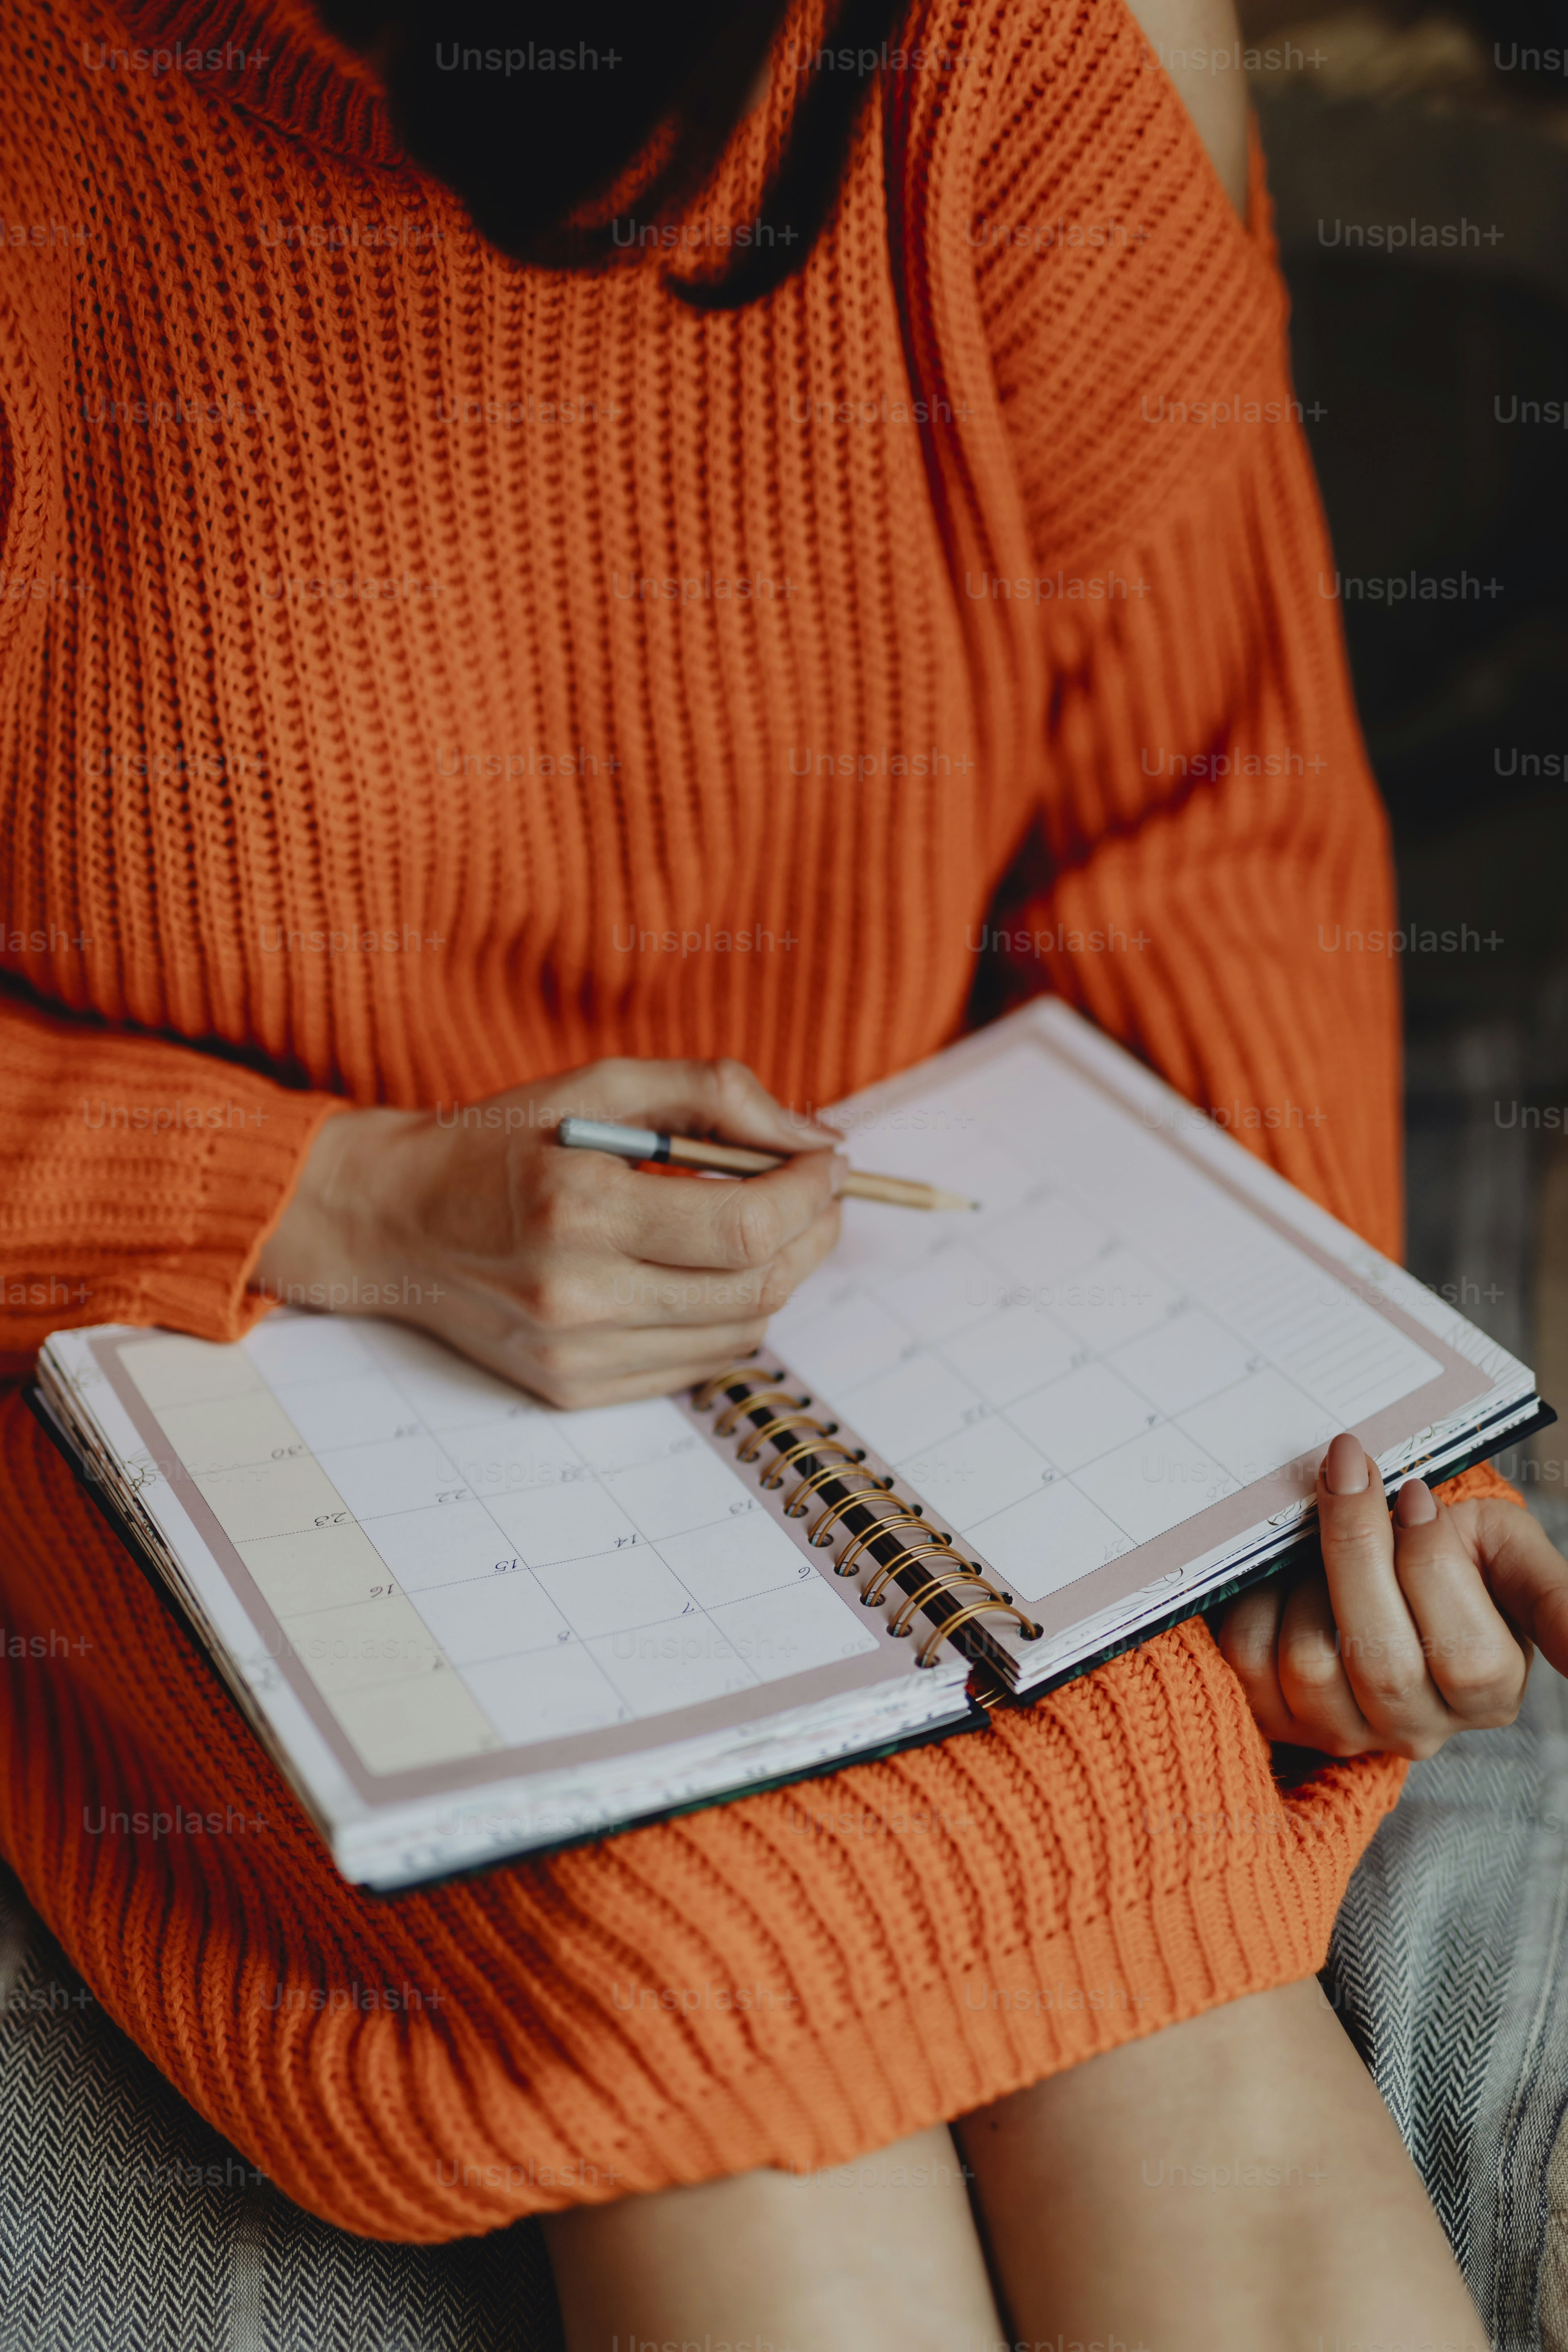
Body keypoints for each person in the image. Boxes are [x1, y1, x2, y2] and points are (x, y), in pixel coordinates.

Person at [2, 1, 1565, 2345]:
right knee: (718, 2047)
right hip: (237, 1337)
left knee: (1173, 2012)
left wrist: (1312, 1458)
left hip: (890, 1337)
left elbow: (1205, 816)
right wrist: (328, 1193)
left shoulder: (1023, 47)